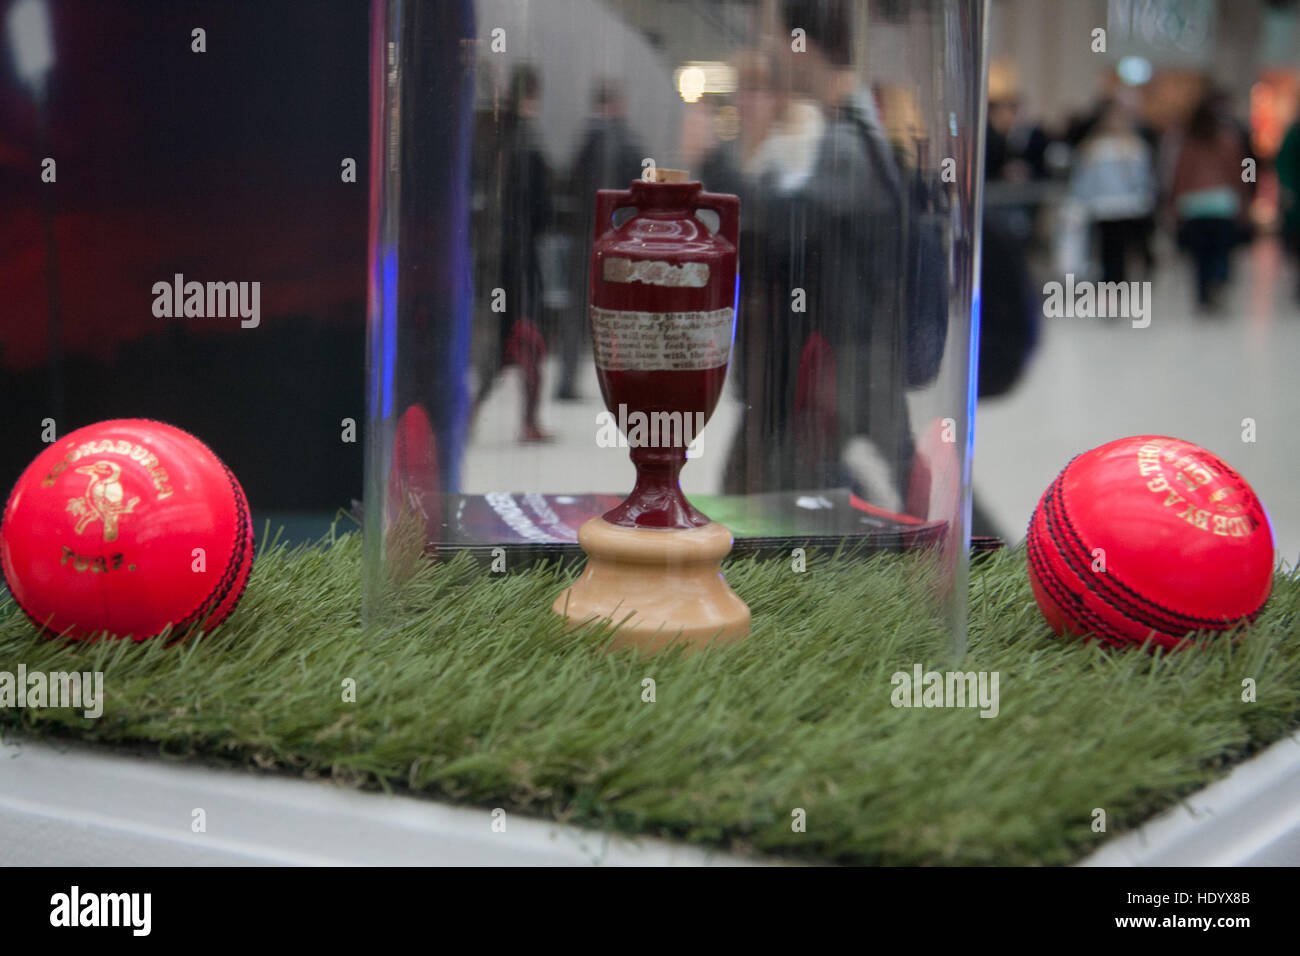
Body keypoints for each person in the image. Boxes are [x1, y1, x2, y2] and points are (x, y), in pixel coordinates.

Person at [716, 0, 947, 512]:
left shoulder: (848, 138)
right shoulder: (849, 127)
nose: (773, 49)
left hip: (845, 359)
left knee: (777, 497)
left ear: (802, 43)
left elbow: (782, 226)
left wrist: (711, 165)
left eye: (776, 35)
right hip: (834, 361)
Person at [471, 64, 553, 440]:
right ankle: (527, 422)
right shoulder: (529, 145)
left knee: (503, 345)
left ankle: (471, 415)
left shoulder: (490, 137)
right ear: (532, 98)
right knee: (528, 341)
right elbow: (542, 212)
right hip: (520, 262)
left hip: (492, 258)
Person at [559, 80, 645, 401]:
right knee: (620, 312)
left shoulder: (586, 142)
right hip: (619, 242)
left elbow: (569, 184)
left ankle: (567, 381)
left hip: (585, 238)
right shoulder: (628, 142)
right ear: (618, 105)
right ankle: (623, 383)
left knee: (577, 310)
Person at [1170, 92, 1253, 312]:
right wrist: (1245, 201)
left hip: (1194, 205)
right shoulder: (1229, 141)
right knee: (1221, 251)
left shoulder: (1188, 144)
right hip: (1222, 204)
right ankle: (1218, 280)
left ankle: (1203, 295)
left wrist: (1175, 205)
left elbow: (1181, 176)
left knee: (1199, 256)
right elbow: (1241, 173)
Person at [1069, 98, 1156, 284]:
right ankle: (1115, 290)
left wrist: (1080, 200)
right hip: (1122, 206)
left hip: (1108, 207)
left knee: (1107, 252)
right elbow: (1142, 180)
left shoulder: (1098, 148)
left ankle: (1111, 290)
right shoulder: (1133, 147)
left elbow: (1084, 180)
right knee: (1117, 253)